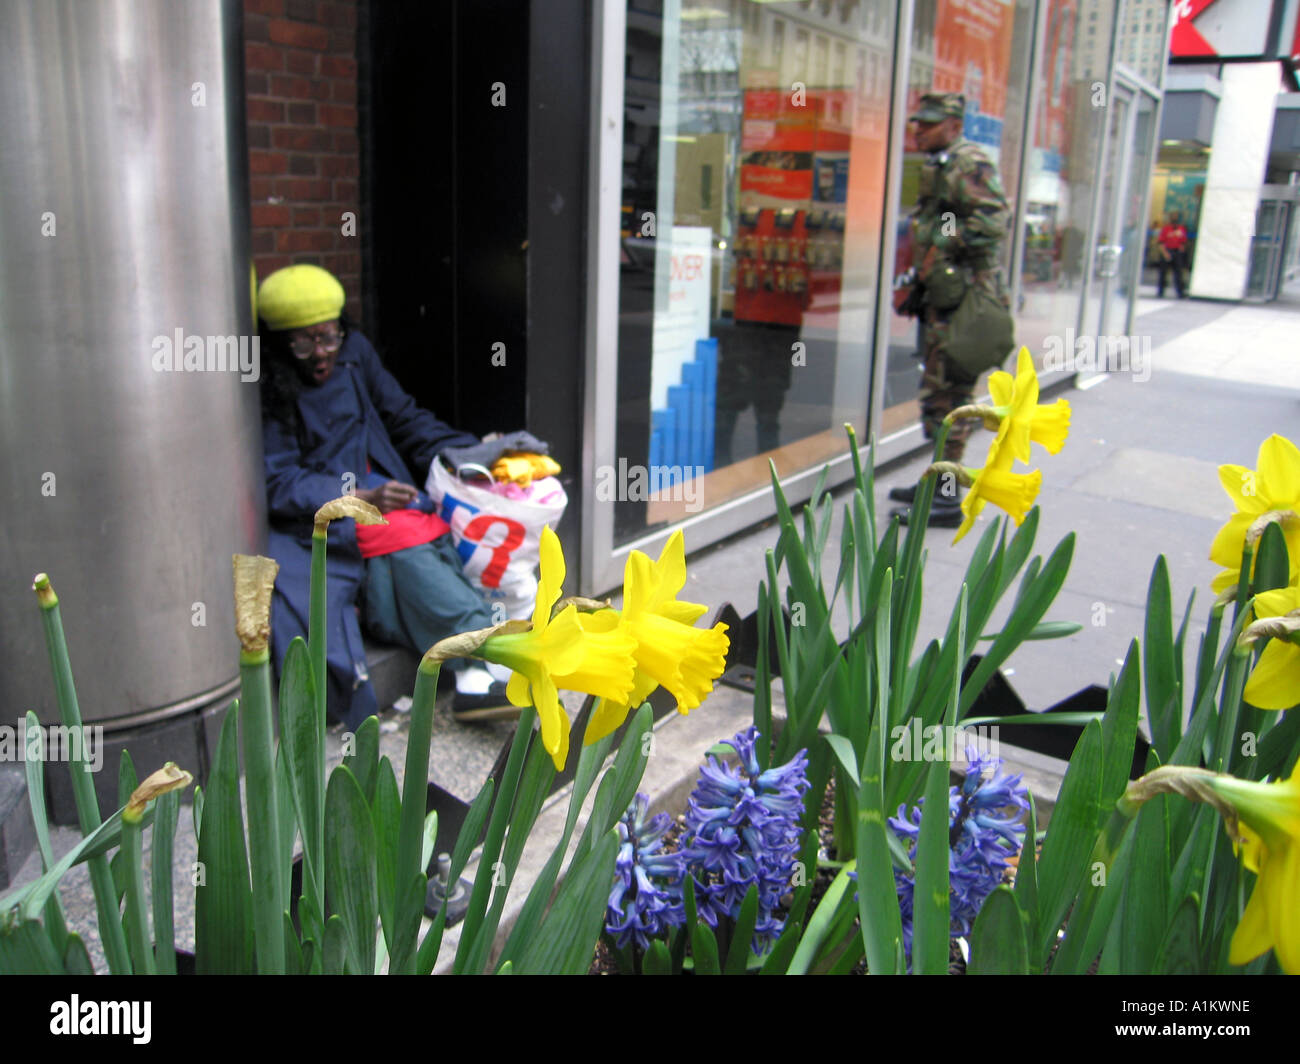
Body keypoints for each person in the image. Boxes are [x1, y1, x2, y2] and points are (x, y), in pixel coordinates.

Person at [258, 264, 539, 730]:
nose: (320, 353)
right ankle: (475, 663)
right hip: (327, 513)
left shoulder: (356, 355)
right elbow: (278, 480)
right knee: (402, 547)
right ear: (278, 346)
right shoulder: (270, 387)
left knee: (422, 532)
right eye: (302, 343)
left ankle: (480, 660)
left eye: (329, 337)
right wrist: (357, 496)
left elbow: (402, 416)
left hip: (386, 496)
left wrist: (472, 450)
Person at [889, 92, 1011, 528]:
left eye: (928, 123)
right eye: (916, 122)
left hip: (966, 302)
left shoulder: (966, 163)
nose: (917, 130)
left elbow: (994, 221)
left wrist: (944, 245)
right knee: (939, 394)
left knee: (951, 398)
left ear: (955, 125)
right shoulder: (945, 163)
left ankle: (944, 499)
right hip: (948, 298)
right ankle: (937, 483)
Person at [1156, 210, 1188, 298]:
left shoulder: (1181, 229)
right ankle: (1160, 291)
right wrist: (1165, 253)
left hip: (1177, 252)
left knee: (1178, 273)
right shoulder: (1166, 229)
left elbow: (1183, 242)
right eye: (1173, 216)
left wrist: (1181, 250)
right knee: (1163, 273)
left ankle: (1180, 292)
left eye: (1176, 216)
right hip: (1167, 250)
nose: (1175, 218)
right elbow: (1160, 242)